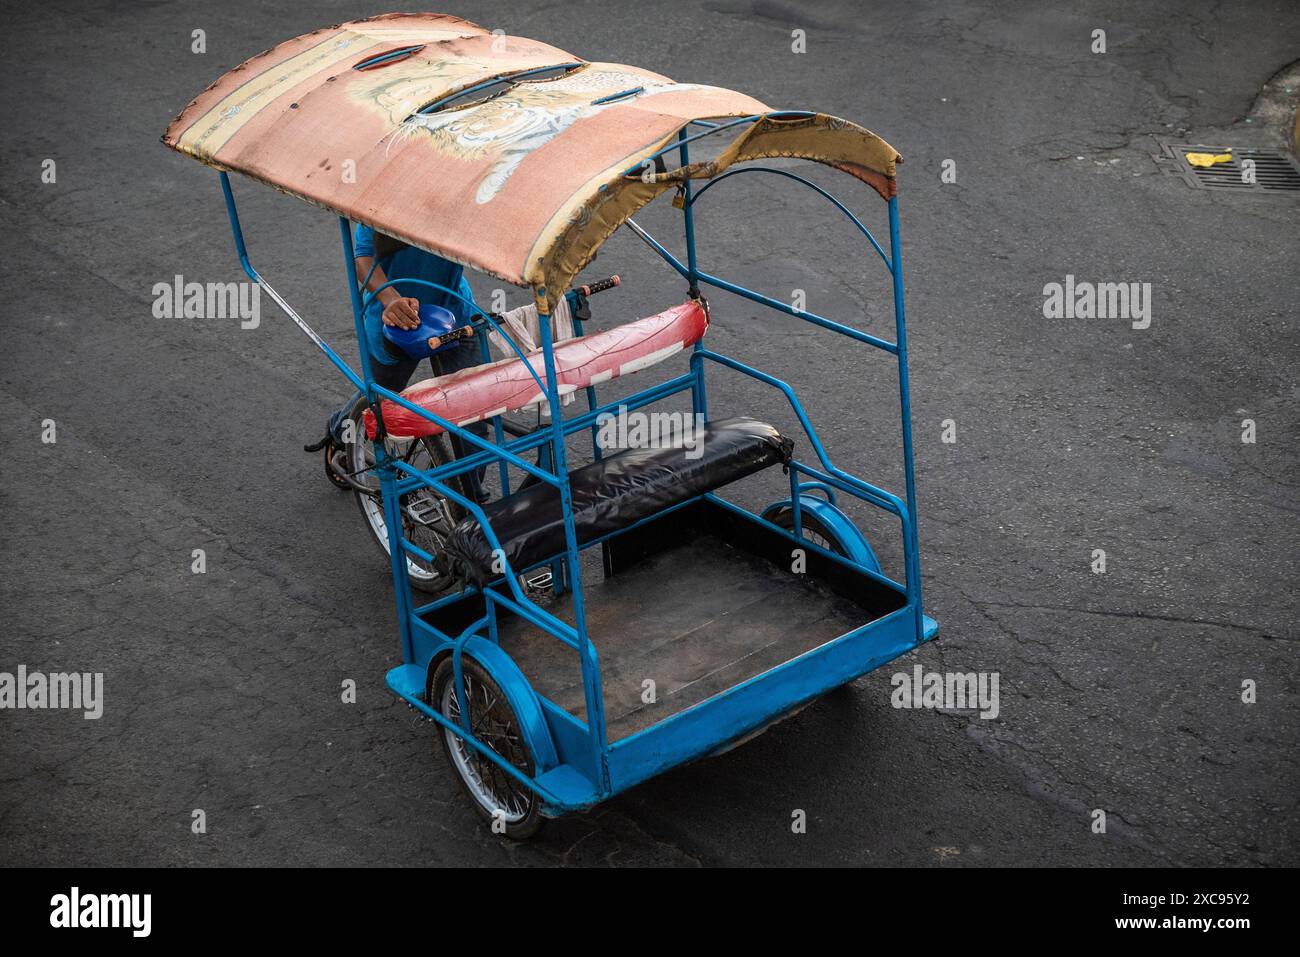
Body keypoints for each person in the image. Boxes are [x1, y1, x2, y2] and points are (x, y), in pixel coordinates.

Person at [322, 224, 491, 502]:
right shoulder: (385, 194)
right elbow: (362, 259)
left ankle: (471, 499)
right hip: (394, 319)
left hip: (452, 310)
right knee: (381, 394)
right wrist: (391, 300)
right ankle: (341, 430)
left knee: (472, 412)